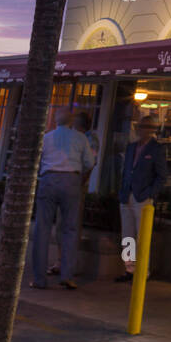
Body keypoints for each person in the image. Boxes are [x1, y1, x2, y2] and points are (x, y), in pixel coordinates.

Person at [31, 107, 95, 290]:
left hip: (48, 179)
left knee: (42, 229)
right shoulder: (80, 138)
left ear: (55, 120)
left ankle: (39, 279)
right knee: (70, 229)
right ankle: (67, 275)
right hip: (71, 181)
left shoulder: (47, 138)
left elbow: (36, 159)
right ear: (71, 122)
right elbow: (90, 162)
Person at [47, 109, 99, 278]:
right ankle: (61, 261)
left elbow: (90, 164)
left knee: (69, 225)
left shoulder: (89, 139)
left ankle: (67, 263)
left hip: (75, 185)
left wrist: (79, 182)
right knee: (62, 224)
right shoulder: (75, 138)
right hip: (67, 183)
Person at [115, 117, 168, 282]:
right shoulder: (131, 147)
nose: (143, 130)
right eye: (142, 126)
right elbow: (126, 170)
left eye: (147, 127)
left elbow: (161, 176)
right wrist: (123, 190)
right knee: (127, 235)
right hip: (127, 195)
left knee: (142, 236)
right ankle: (129, 269)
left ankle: (143, 272)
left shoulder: (157, 149)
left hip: (142, 197)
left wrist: (149, 193)